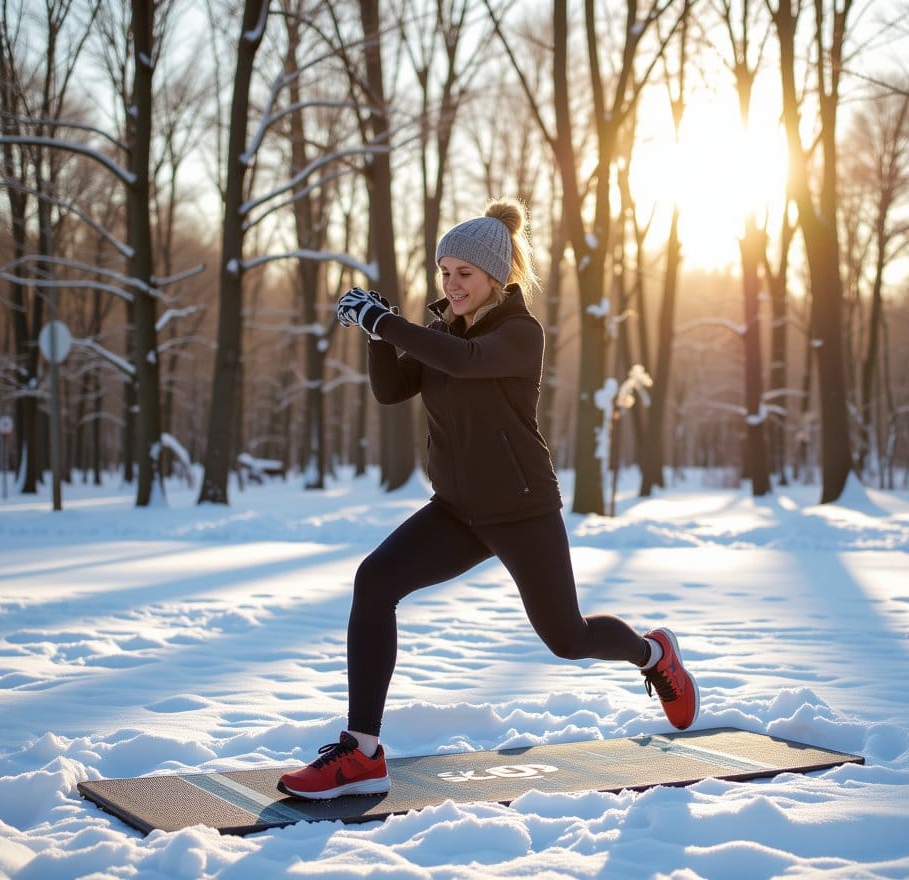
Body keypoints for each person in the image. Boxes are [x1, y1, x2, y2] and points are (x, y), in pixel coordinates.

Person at [277, 198, 698, 801]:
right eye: (445, 272)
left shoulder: (520, 335)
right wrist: (376, 332)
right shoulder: (442, 333)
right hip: (457, 510)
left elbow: (465, 362)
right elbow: (393, 389)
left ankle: (653, 654)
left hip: (522, 510)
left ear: (496, 277)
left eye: (464, 273)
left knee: (568, 637)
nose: (452, 284)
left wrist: (386, 324)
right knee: (374, 581)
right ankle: (362, 752)